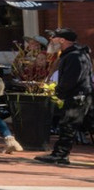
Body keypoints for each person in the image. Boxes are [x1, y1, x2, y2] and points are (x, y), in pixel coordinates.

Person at [35, 27, 93, 165]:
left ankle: (60, 155)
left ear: (62, 40)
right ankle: (59, 154)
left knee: (68, 126)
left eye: (53, 38)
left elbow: (71, 79)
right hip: (81, 95)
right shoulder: (73, 54)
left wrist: (58, 91)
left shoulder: (74, 56)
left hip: (77, 96)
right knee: (86, 124)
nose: (51, 41)